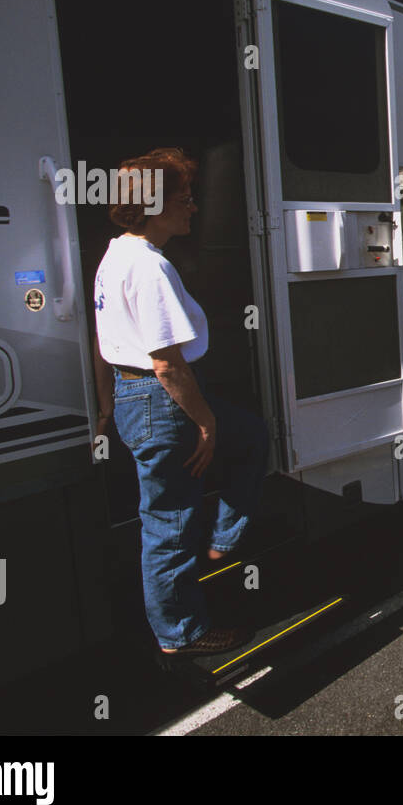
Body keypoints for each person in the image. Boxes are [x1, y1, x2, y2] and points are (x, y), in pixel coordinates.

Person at [92, 147, 267, 657]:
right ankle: (180, 633)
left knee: (252, 436)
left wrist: (105, 410)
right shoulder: (149, 267)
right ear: (152, 204)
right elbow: (167, 363)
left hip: (135, 396)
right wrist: (206, 422)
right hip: (161, 399)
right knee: (169, 522)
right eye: (184, 198)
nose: (193, 207)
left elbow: (101, 343)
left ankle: (223, 541)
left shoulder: (113, 256)